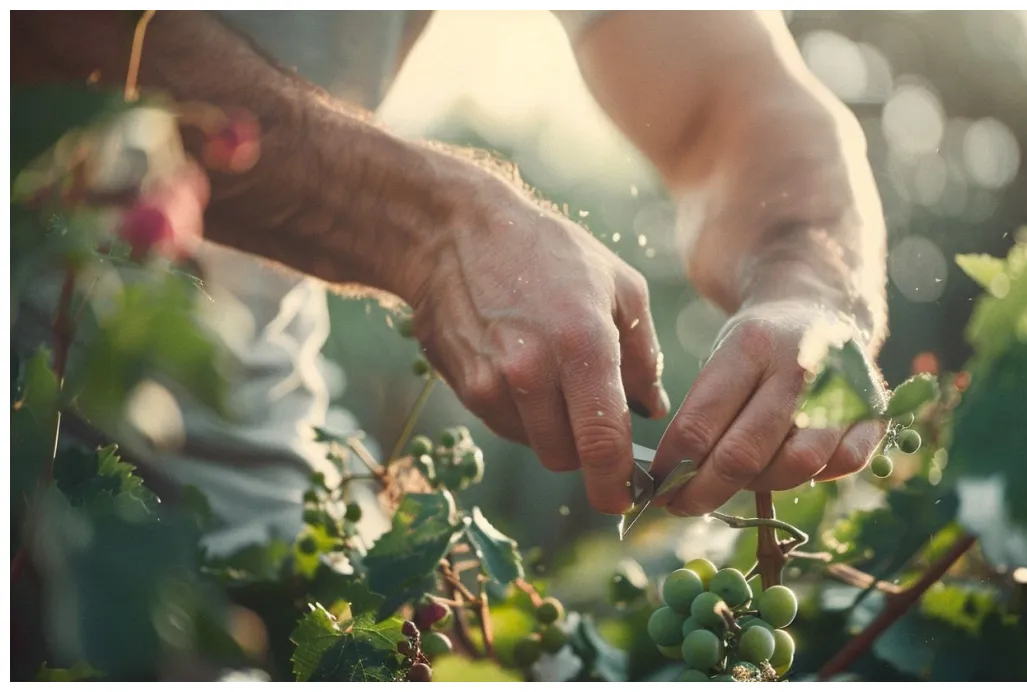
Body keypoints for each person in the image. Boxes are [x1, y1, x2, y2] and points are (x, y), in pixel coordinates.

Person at [11, 11, 889, 554]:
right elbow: (49, 33)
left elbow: (745, 107)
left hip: (237, 497)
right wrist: (435, 224)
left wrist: (813, 290)